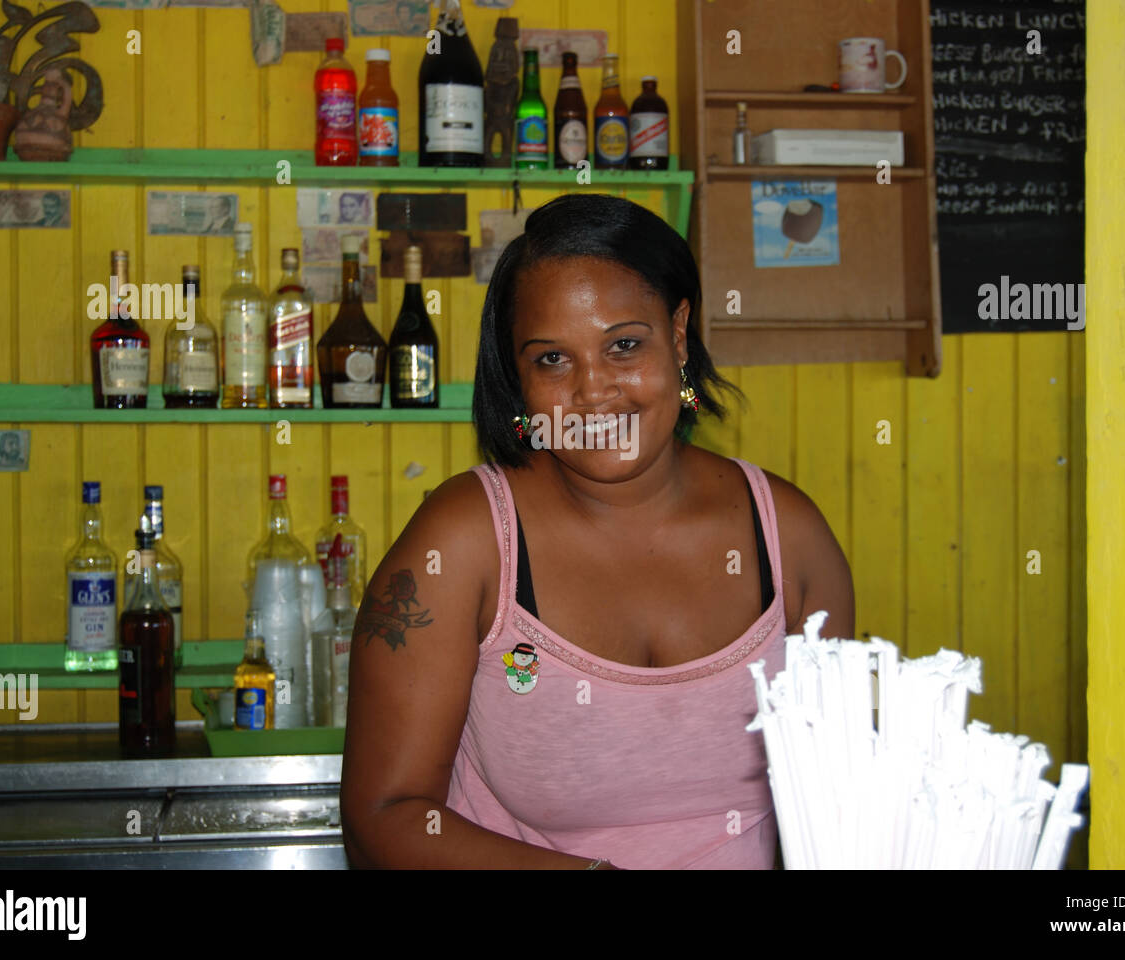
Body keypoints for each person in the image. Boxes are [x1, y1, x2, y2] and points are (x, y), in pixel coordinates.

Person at [340, 193, 855, 869]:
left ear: (677, 334)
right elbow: (385, 815)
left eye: (623, 346)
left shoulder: (789, 537)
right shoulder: (462, 543)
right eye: (552, 360)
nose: (593, 392)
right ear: (517, 380)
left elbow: (838, 797)